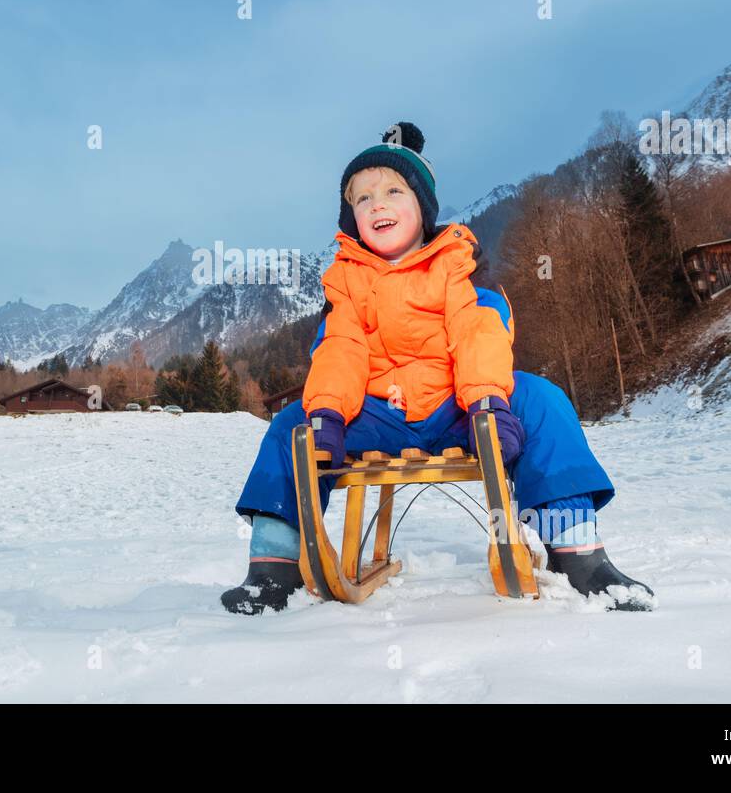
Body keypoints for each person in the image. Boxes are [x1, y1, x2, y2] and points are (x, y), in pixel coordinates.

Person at [222, 122, 655, 614]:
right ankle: (273, 569)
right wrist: (327, 414)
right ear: (351, 218)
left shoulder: (455, 262)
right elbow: (340, 347)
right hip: (378, 415)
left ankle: (578, 553)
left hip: (460, 409)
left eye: (391, 191)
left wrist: (487, 402)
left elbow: (479, 331)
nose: (377, 205)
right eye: (362, 200)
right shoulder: (345, 278)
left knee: (543, 400)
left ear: (422, 207)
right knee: (290, 426)